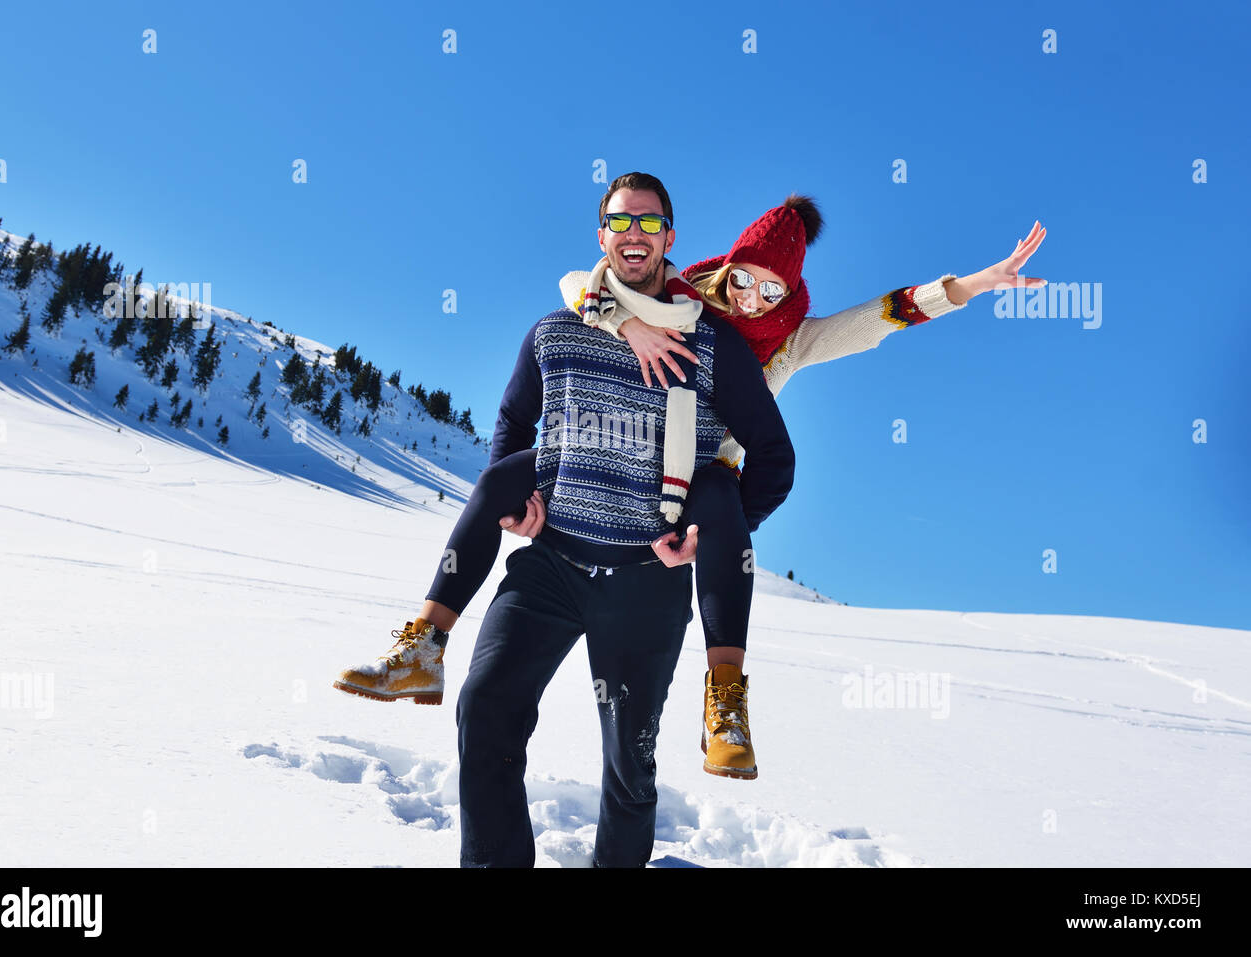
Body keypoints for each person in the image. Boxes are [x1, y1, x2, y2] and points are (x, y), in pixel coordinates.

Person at [335, 180, 1046, 784]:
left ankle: (726, 699)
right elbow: (579, 284)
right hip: (610, 461)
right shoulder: (676, 295)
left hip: (706, 472)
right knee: (500, 479)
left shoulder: (789, 340)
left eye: (774, 289)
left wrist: (975, 285)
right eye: (746, 278)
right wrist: (624, 320)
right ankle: (424, 646)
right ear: (727, 265)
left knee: (718, 502)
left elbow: (881, 317)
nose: (756, 299)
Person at [340, 172, 796, 866]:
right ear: (601, 235)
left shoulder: (714, 349)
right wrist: (521, 509)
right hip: (549, 567)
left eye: (648, 224)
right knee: (484, 710)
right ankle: (426, 655)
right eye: (620, 222)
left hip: (646, 582)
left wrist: (716, 534)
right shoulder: (556, 332)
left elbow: (774, 454)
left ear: (671, 238)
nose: (634, 235)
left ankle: (722, 700)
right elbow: (513, 418)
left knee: (629, 769)